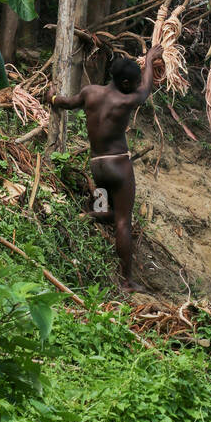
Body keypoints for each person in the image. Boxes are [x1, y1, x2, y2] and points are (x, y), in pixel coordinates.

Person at [46, 48, 163, 290]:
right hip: (118, 166)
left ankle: (93, 214)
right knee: (123, 221)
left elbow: (66, 103)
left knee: (105, 208)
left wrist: (53, 98)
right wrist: (150, 61)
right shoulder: (126, 100)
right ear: (126, 83)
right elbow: (146, 89)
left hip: (97, 166)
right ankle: (127, 280)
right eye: (134, 83)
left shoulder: (90, 93)